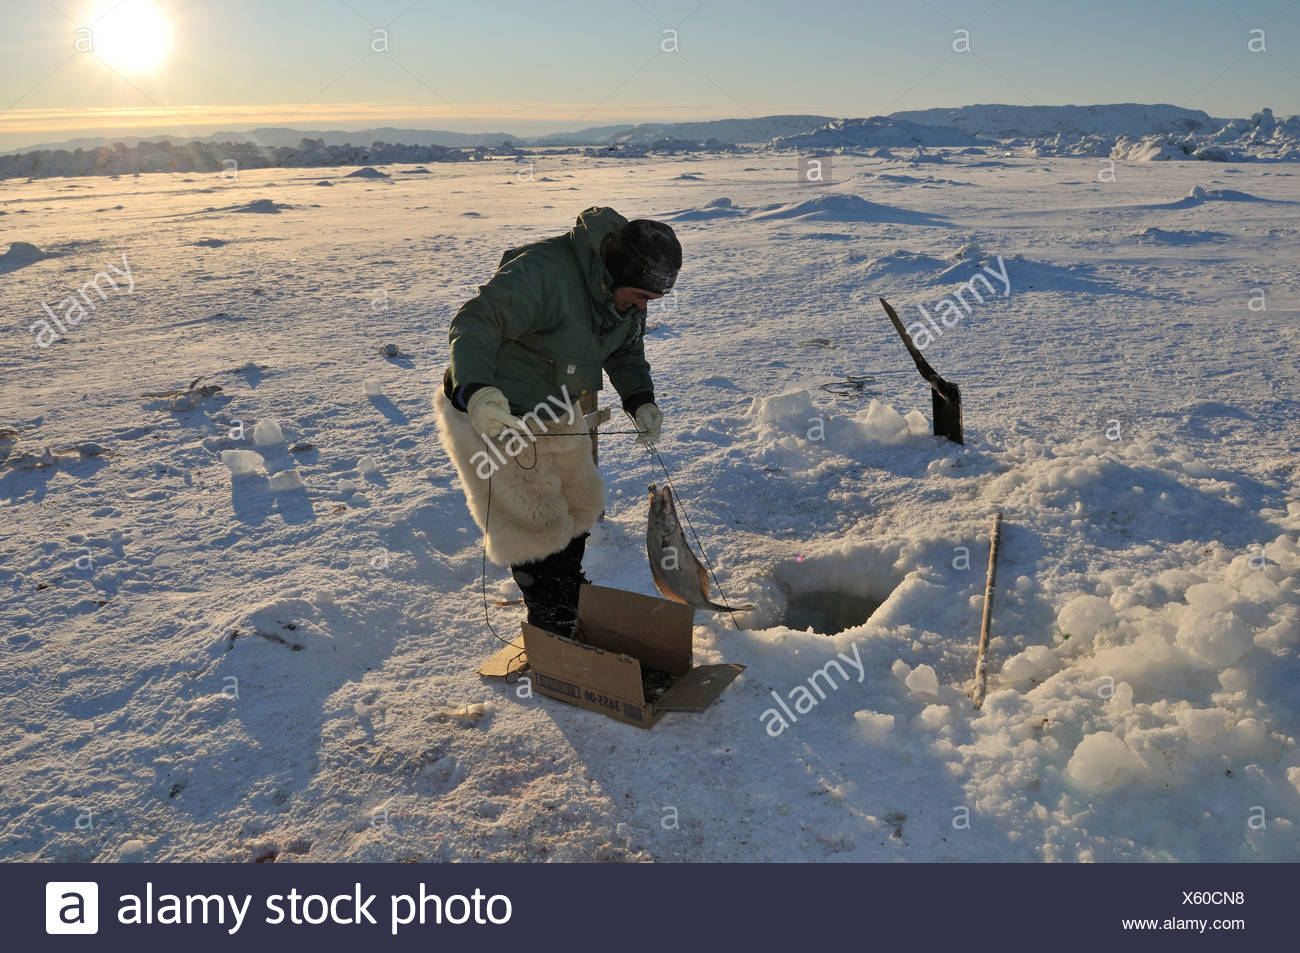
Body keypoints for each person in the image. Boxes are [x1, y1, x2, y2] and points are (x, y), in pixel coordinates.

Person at [434, 206, 682, 636]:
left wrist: (640, 399)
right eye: (641, 296)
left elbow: (624, 349)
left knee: (578, 503)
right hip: (496, 409)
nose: (643, 307)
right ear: (619, 271)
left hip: (556, 404)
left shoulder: (623, 296)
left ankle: (569, 592)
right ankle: (550, 618)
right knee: (536, 524)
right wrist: (477, 392)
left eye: (649, 301)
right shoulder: (545, 273)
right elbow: (475, 322)